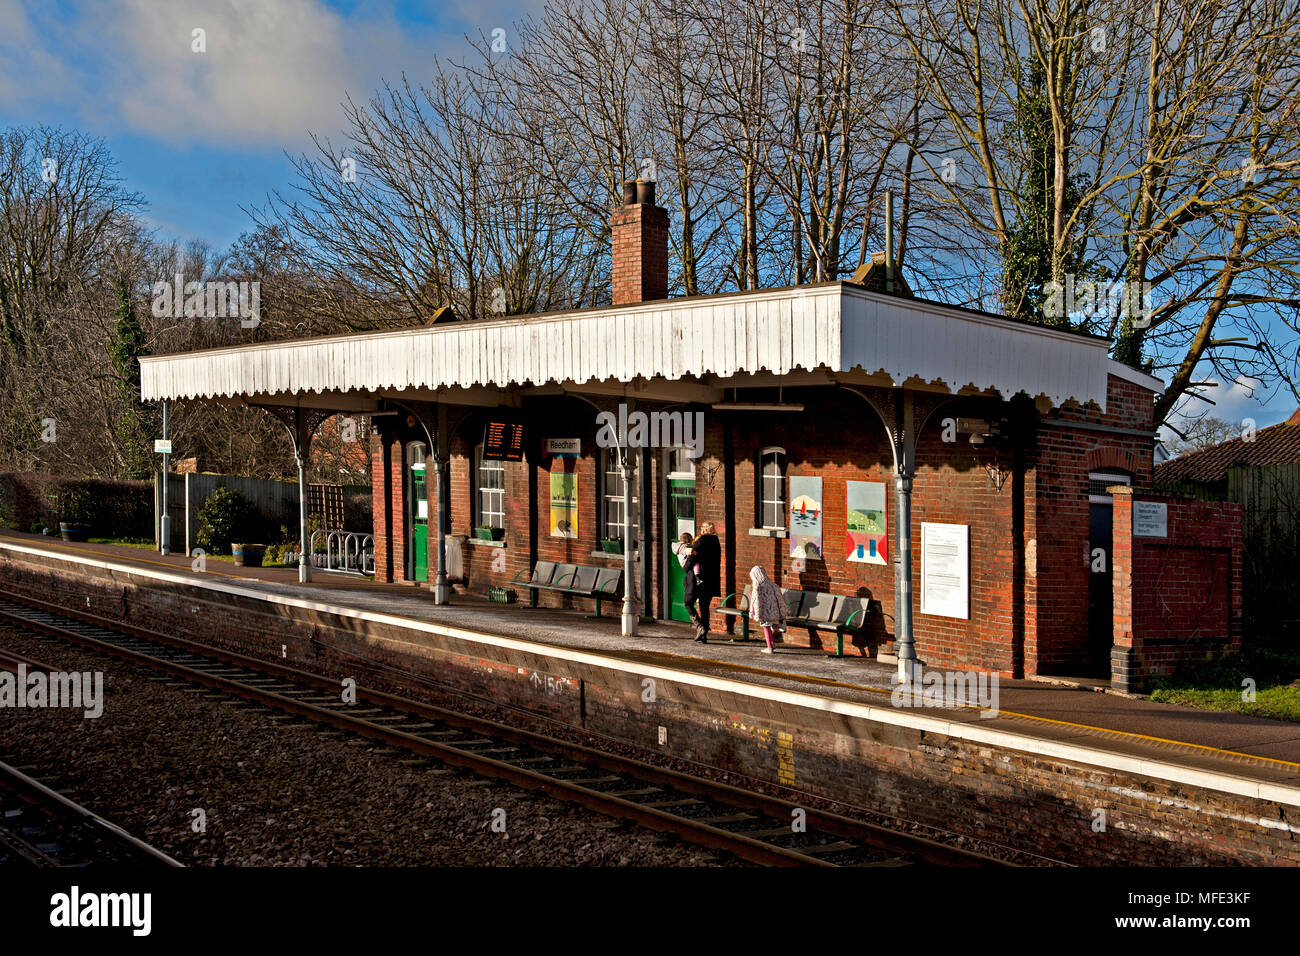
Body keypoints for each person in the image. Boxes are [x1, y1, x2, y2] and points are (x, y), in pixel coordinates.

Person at [689, 522, 722, 642]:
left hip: (700, 577)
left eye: (702, 528)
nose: (701, 530)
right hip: (712, 579)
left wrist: (686, 568)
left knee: (688, 603)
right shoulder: (716, 541)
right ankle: (704, 632)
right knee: (705, 606)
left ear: (705, 530)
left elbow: (692, 556)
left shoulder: (702, 541)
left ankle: (700, 628)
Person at [748, 565, 786, 654]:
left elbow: (756, 602)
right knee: (769, 627)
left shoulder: (757, 587)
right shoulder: (772, 585)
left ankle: (769, 647)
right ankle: (771, 644)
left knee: (766, 628)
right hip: (774, 611)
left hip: (764, 612)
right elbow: (779, 597)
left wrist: (756, 613)